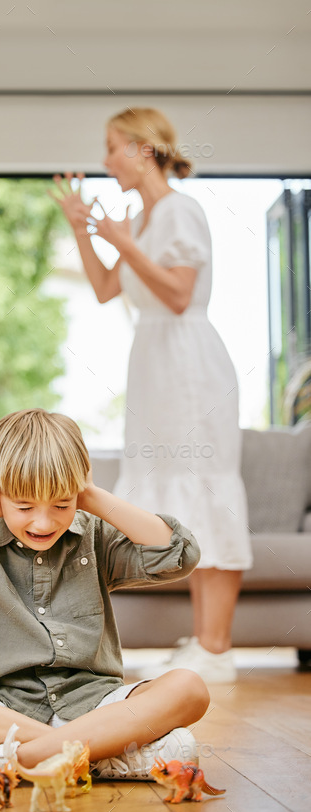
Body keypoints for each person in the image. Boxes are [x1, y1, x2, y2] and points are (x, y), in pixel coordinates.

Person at [0, 408, 209, 789]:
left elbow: (179, 554)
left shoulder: (96, 536)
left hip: (96, 707)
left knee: (188, 687)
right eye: (24, 507)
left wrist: (92, 497)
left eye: (61, 505)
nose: (43, 523)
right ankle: (102, 757)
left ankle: (11, 760)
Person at [51, 107, 253, 684]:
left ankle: (218, 647)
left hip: (191, 366)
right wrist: (82, 229)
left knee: (206, 485)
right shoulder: (139, 219)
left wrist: (122, 239)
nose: (105, 159)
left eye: (112, 147)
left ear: (144, 150)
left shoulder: (179, 209)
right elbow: (104, 288)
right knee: (177, 492)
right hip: (155, 369)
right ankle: (206, 640)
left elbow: (178, 293)